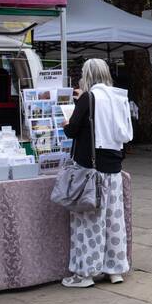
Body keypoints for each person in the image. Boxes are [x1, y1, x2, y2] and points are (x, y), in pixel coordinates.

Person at [61, 58, 133, 288]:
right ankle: (115, 269)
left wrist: (67, 120)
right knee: (114, 220)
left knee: (89, 221)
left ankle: (86, 272)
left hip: (91, 169)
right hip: (114, 167)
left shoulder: (88, 98)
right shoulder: (119, 97)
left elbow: (71, 130)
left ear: (88, 75)